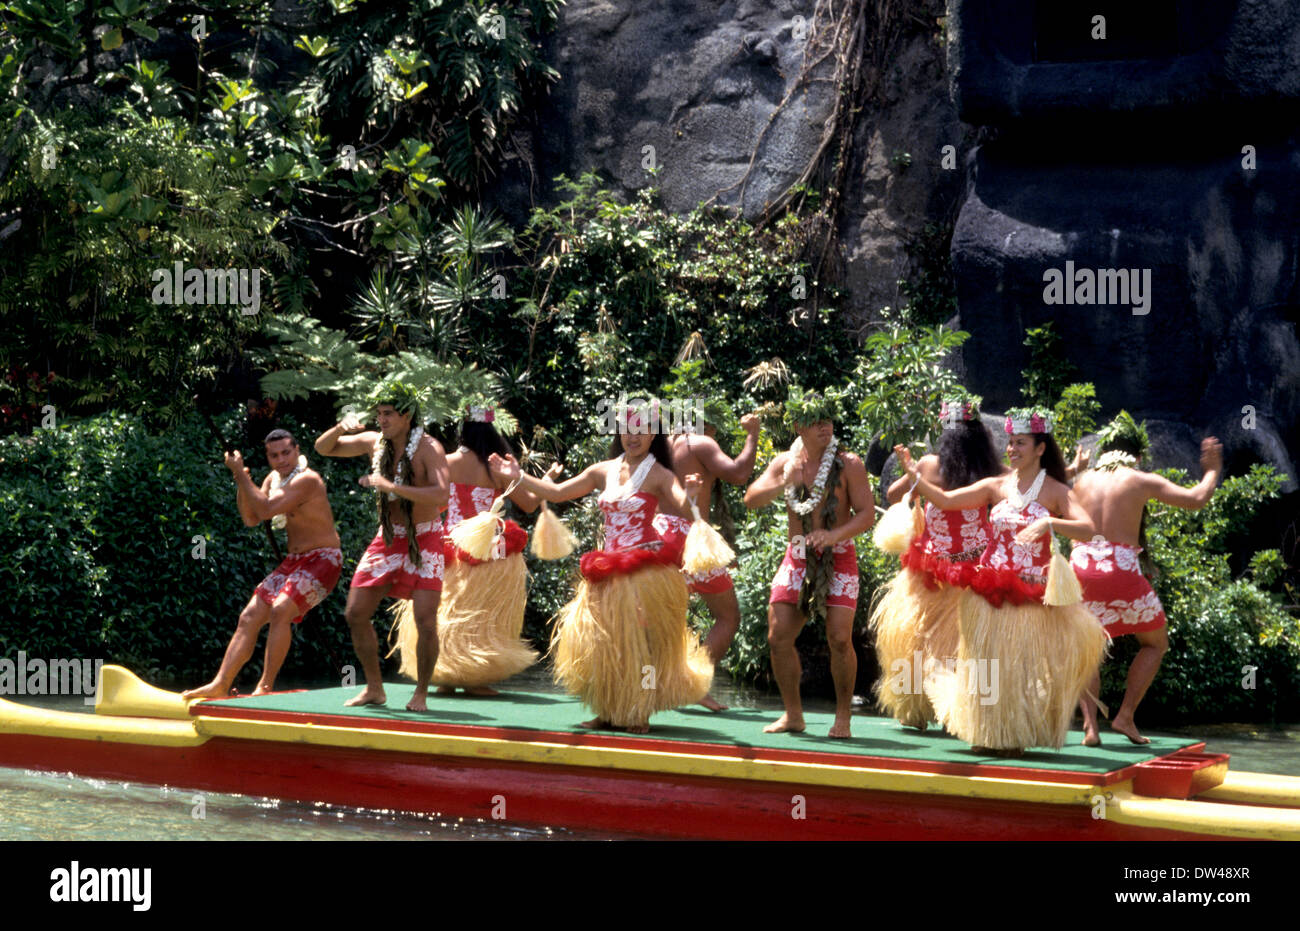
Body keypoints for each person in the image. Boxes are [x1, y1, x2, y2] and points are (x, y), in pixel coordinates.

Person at [489, 400, 713, 734]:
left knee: (643, 645)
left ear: (653, 434)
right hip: (607, 570)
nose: (632, 437)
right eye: (626, 429)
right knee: (600, 642)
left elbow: (681, 504)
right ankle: (606, 708)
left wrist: (692, 493)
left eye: (640, 430)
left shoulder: (659, 473)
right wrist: (518, 477)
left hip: (645, 570)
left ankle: (642, 709)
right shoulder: (604, 470)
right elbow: (558, 492)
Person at [896, 407, 1108, 755]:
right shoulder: (997, 485)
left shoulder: (1054, 490)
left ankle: (1013, 735)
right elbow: (948, 501)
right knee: (984, 665)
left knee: (1015, 668)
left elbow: (1087, 528)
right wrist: (914, 477)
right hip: (989, 587)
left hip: (1028, 591)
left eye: (1021, 443)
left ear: (1040, 448)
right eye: (1010, 442)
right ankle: (988, 733)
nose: (1012, 449)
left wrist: (1050, 524)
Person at [1071, 412, 1222, 745]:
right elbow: (1197, 499)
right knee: (1155, 643)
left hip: (1079, 568)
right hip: (1121, 570)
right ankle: (1124, 716)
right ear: (1136, 456)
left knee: (1085, 648)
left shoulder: (1080, 483)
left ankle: (1090, 726)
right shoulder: (1139, 479)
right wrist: (1212, 470)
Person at [389, 405, 552, 695]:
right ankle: (474, 678)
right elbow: (528, 504)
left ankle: (447, 676)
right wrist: (546, 484)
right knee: (481, 613)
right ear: (492, 430)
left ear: (462, 430)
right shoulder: (496, 466)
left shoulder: (446, 462)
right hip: (488, 551)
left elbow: (428, 501)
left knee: (446, 610)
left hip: (448, 544)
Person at [743, 388, 876, 739]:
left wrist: (834, 535)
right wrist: (784, 482)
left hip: (839, 554)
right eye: (816, 422)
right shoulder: (786, 464)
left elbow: (866, 515)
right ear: (799, 426)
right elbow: (751, 499)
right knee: (778, 636)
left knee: (838, 638)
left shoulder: (849, 464)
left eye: (828, 421)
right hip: (799, 555)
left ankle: (843, 717)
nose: (824, 428)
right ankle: (793, 715)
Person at [870, 394, 1004, 730]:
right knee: (974, 640)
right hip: (975, 566)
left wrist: (912, 472)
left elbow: (892, 495)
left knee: (912, 636)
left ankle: (914, 711)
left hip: (931, 567)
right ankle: (968, 711)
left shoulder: (930, 465)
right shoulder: (990, 470)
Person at [315, 380, 449, 711]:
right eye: (379, 414)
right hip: (389, 538)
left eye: (388, 414)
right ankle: (375, 688)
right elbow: (323, 448)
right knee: (355, 612)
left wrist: (393, 487)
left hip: (426, 536)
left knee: (425, 620)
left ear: (407, 416)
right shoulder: (375, 443)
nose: (382, 420)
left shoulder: (429, 448)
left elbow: (441, 494)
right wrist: (338, 427)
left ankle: (421, 692)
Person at [183, 430, 342, 699]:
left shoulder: (307, 479)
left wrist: (243, 476)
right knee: (249, 617)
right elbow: (251, 518)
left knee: (281, 609)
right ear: (267, 457)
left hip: (324, 559)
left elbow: (267, 509)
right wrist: (239, 478)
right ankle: (221, 683)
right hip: (293, 562)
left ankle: (265, 686)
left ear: (297, 450)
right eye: (274, 455)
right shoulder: (273, 479)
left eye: (286, 453)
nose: (281, 460)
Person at [652, 403, 761, 711]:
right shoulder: (699, 442)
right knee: (728, 616)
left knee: (664, 620)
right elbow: (739, 474)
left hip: (658, 533)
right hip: (688, 538)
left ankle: (653, 687)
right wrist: (752, 435)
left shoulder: (663, 445)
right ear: (708, 425)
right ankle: (692, 682)